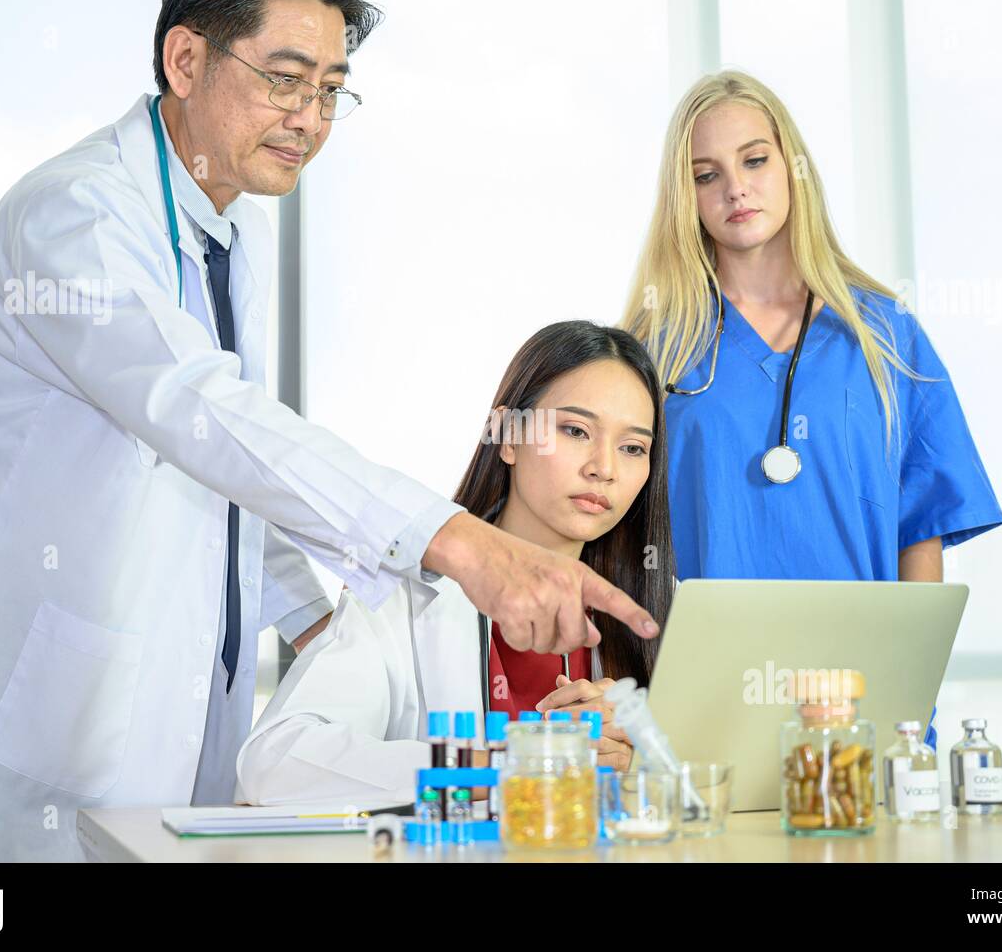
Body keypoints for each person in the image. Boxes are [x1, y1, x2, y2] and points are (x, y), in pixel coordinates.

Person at [0, 0, 655, 863]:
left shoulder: (237, 235)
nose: (308, 119)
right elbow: (203, 413)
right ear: (186, 60)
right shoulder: (75, 217)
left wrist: (321, 624)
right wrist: (455, 540)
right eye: (284, 80)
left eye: (331, 90)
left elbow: (229, 477)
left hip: (154, 724)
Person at [236, 322, 676, 806]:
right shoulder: (406, 595)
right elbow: (275, 764)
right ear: (507, 438)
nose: (604, 468)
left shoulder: (665, 605)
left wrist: (639, 760)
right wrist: (504, 764)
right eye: (575, 431)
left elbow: (725, 779)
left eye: (633, 447)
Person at [620, 71, 1002, 585]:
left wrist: (907, 663)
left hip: (861, 659)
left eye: (755, 160)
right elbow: (613, 526)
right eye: (705, 175)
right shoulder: (656, 348)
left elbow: (920, 529)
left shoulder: (884, 335)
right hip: (707, 656)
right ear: (683, 196)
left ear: (792, 168)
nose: (736, 188)